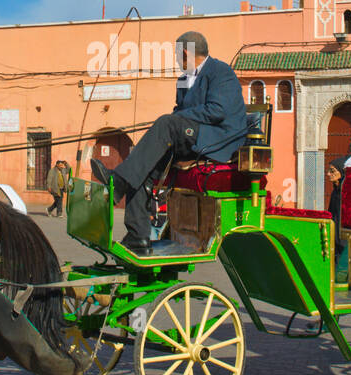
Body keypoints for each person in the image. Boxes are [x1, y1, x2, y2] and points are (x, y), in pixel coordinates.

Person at [92, 30, 250, 254]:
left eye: (177, 56)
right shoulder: (184, 80)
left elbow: (218, 111)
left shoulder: (220, 72)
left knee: (167, 123)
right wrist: (176, 119)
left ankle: (117, 182)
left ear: (186, 52)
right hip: (190, 136)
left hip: (219, 138)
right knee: (144, 166)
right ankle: (138, 236)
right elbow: (180, 111)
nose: (176, 61)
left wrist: (176, 120)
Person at [326, 163, 347, 280]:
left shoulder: (345, 192)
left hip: (342, 235)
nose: (328, 174)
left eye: (332, 171)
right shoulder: (335, 192)